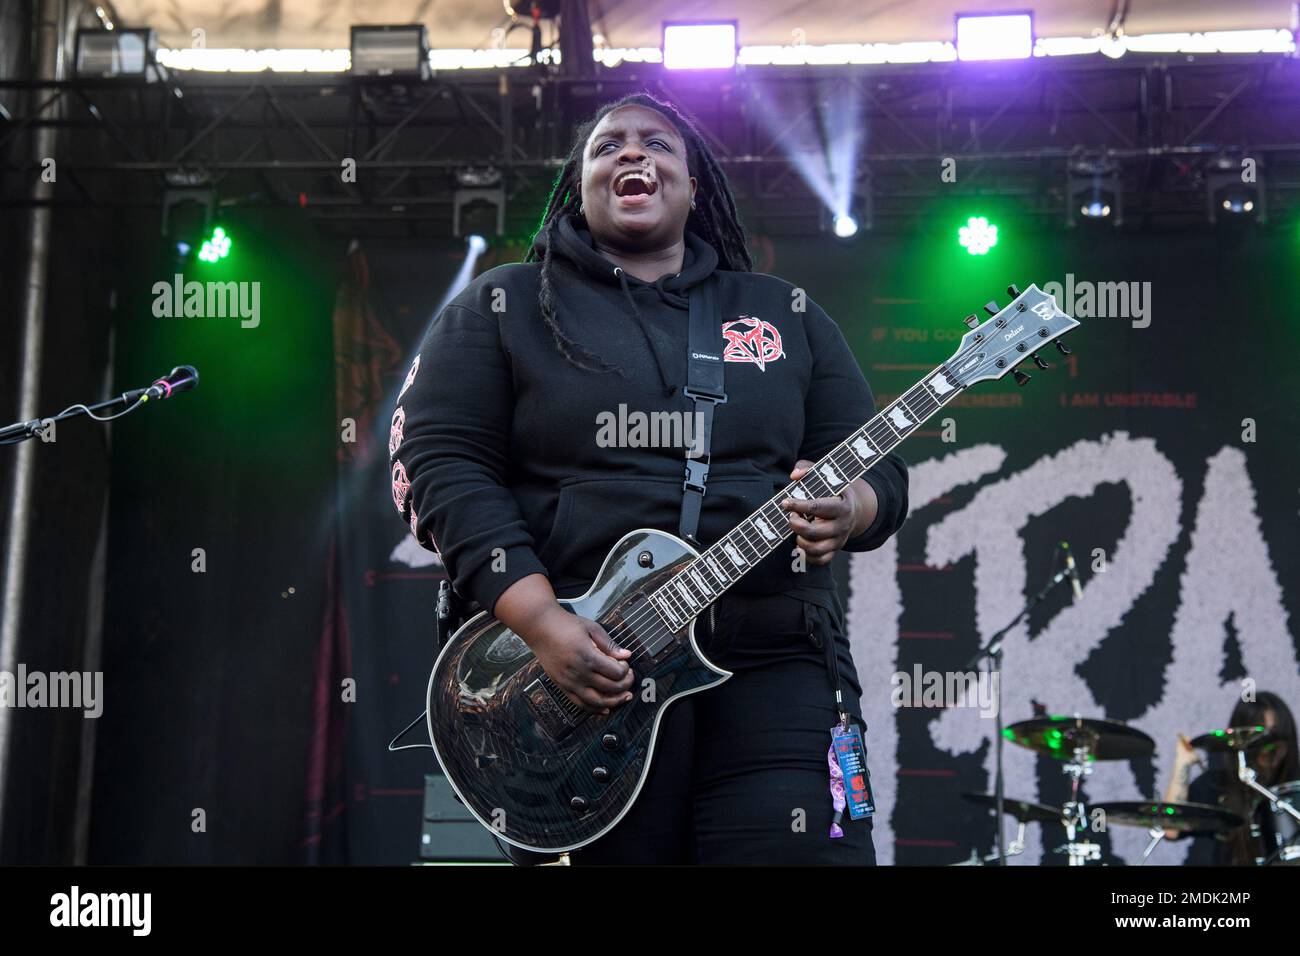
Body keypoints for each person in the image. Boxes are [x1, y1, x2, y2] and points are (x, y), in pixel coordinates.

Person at [390, 92, 908, 864]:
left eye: (658, 144)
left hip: (777, 660)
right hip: (585, 670)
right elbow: (435, 462)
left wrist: (854, 507)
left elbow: (879, 472)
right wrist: (540, 622)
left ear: (695, 188)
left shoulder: (782, 312)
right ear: (581, 186)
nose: (633, 154)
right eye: (608, 147)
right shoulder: (505, 304)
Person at [1162, 690, 1299, 865]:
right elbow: (1171, 829)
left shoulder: (1296, 784)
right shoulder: (1217, 784)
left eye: (1275, 736)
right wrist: (1182, 763)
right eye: (1258, 737)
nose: (1268, 747)